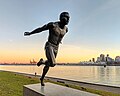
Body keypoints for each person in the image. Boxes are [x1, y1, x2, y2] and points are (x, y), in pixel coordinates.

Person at [24, 12, 70, 86]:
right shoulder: (53, 25)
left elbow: (60, 36)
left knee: (49, 64)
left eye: (69, 18)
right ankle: (42, 63)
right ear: (61, 18)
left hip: (56, 47)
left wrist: (59, 41)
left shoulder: (66, 29)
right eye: (67, 17)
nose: (68, 20)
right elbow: (41, 29)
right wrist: (30, 33)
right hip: (49, 45)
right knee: (53, 63)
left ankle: (42, 77)